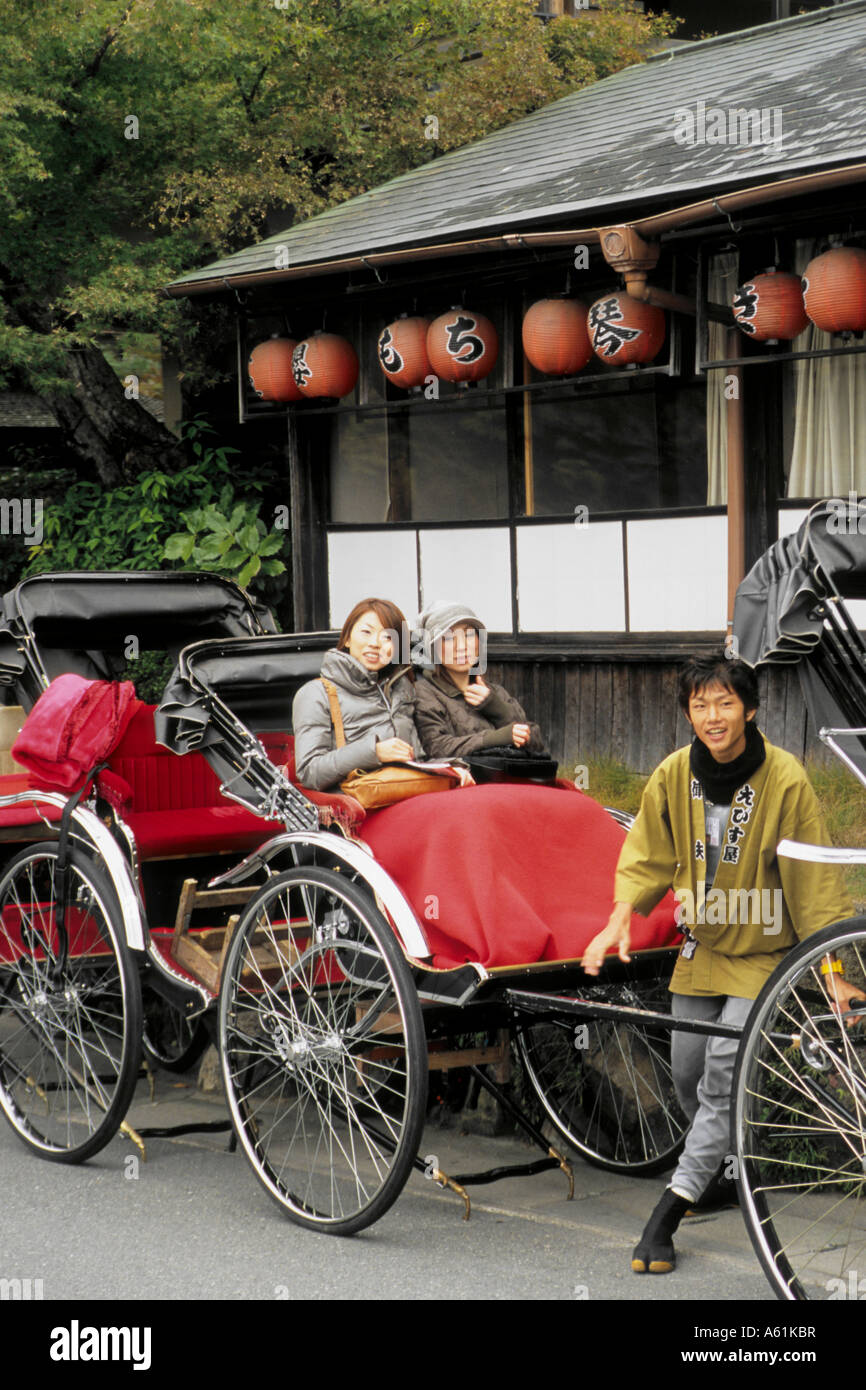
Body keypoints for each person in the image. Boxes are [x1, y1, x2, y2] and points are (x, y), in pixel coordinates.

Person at [580, 650, 863, 1276]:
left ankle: (670, 1210)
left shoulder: (785, 777)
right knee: (687, 1071)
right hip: (703, 948)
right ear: (688, 713)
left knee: (720, 1077)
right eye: (700, 704)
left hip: (764, 951)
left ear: (751, 709)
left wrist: (831, 971)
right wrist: (621, 914)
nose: (713, 715)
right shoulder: (673, 773)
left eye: (725, 703)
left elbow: (813, 876)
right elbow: (647, 857)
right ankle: (717, 1167)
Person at [292, 597, 421, 793]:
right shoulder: (316, 693)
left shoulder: (403, 689)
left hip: (408, 791)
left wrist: (451, 770)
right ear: (348, 638)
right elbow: (310, 772)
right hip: (360, 803)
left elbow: (421, 756)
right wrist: (374, 751)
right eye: (367, 632)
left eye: (387, 637)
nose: (375, 644)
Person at [413, 599, 547, 761]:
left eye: (469, 635)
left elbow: (537, 744)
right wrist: (493, 738)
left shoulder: (495, 692)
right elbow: (437, 747)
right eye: (448, 638)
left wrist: (496, 707)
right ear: (432, 647)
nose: (461, 646)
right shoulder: (423, 692)